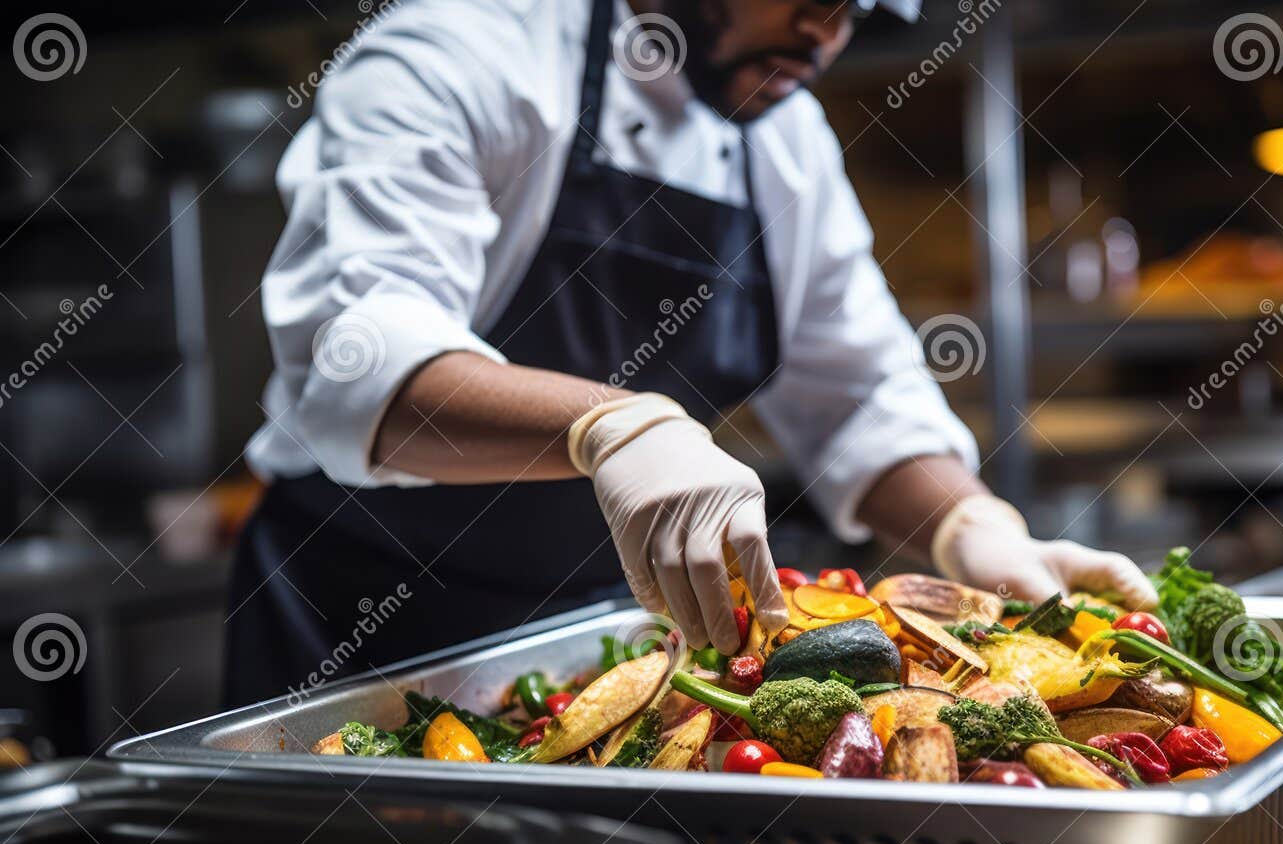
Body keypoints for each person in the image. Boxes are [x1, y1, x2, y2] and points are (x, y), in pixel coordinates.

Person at [227, 0, 1156, 701]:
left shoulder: (782, 137)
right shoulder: (457, 51)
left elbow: (860, 393)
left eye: (856, 7)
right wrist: (613, 425)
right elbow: (361, 356)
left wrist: (971, 525)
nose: (825, 31)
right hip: (356, 631)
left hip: (598, 636)